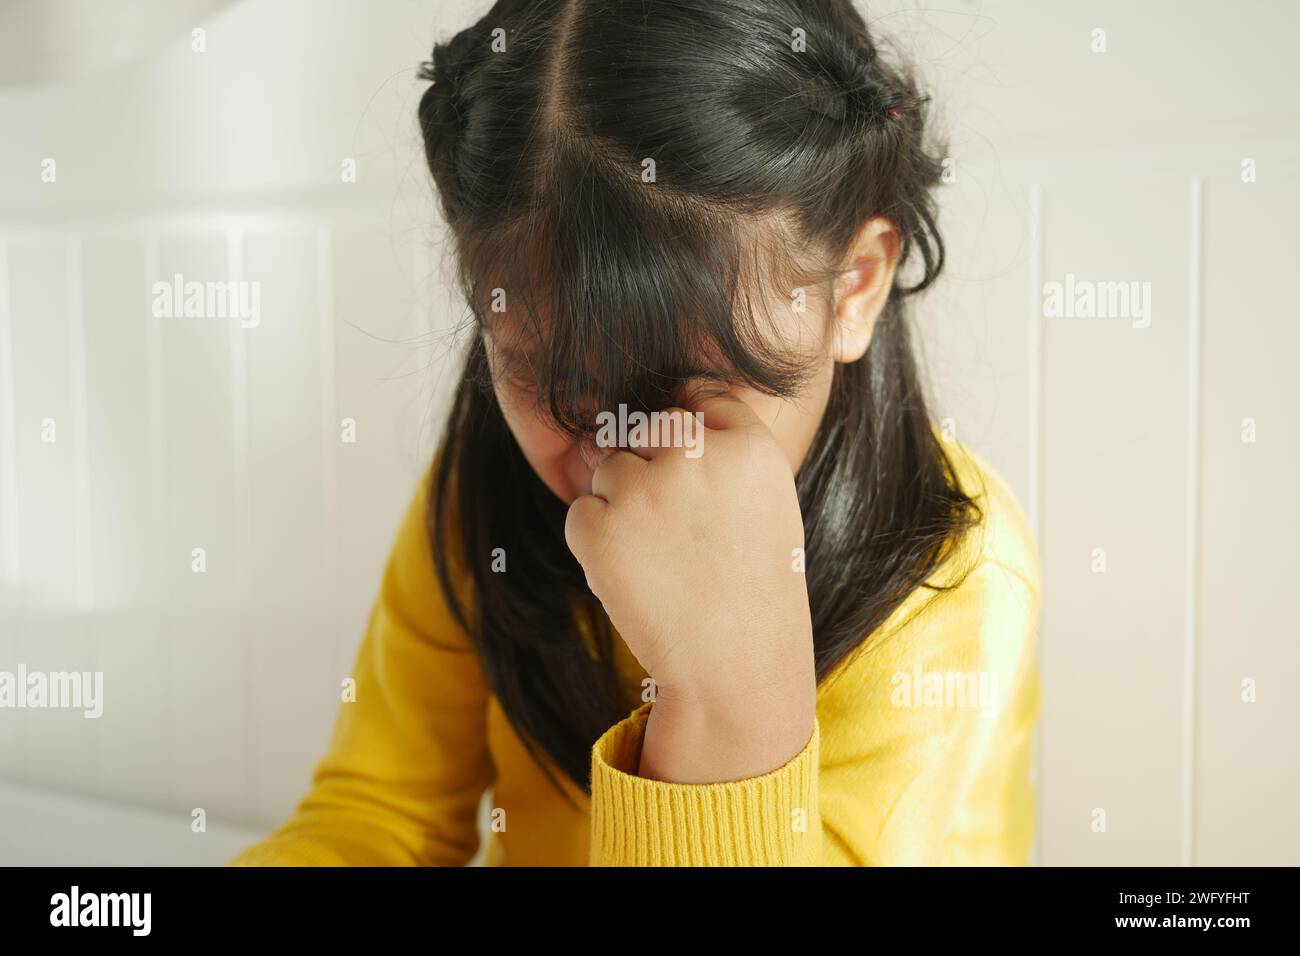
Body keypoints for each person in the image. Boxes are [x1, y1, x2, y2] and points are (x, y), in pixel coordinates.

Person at [229, 0, 1042, 867]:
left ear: (852, 288)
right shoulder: (485, 495)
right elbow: (377, 817)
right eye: (557, 383)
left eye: (690, 391)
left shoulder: (948, 575)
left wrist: (730, 700)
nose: (613, 449)